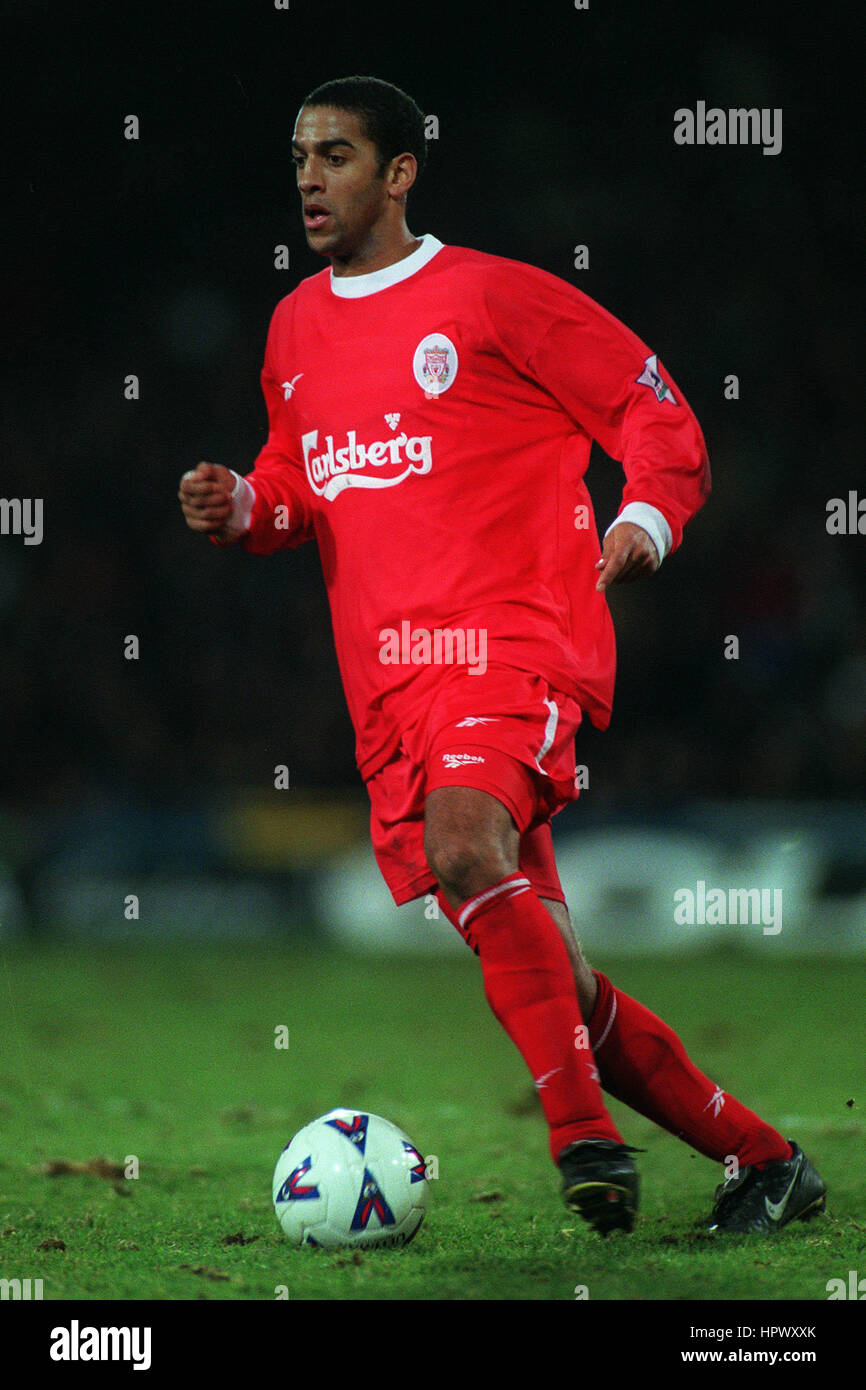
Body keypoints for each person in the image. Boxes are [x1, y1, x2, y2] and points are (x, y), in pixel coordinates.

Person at [179, 75, 826, 1236]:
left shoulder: (492, 299)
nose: (309, 179)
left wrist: (645, 519)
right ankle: (763, 1160)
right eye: (298, 158)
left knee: (465, 843)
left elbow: (652, 408)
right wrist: (245, 505)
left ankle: (581, 1139)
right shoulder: (290, 328)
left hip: (509, 643)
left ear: (399, 172)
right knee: (556, 982)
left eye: (334, 155)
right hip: (389, 687)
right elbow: (302, 484)